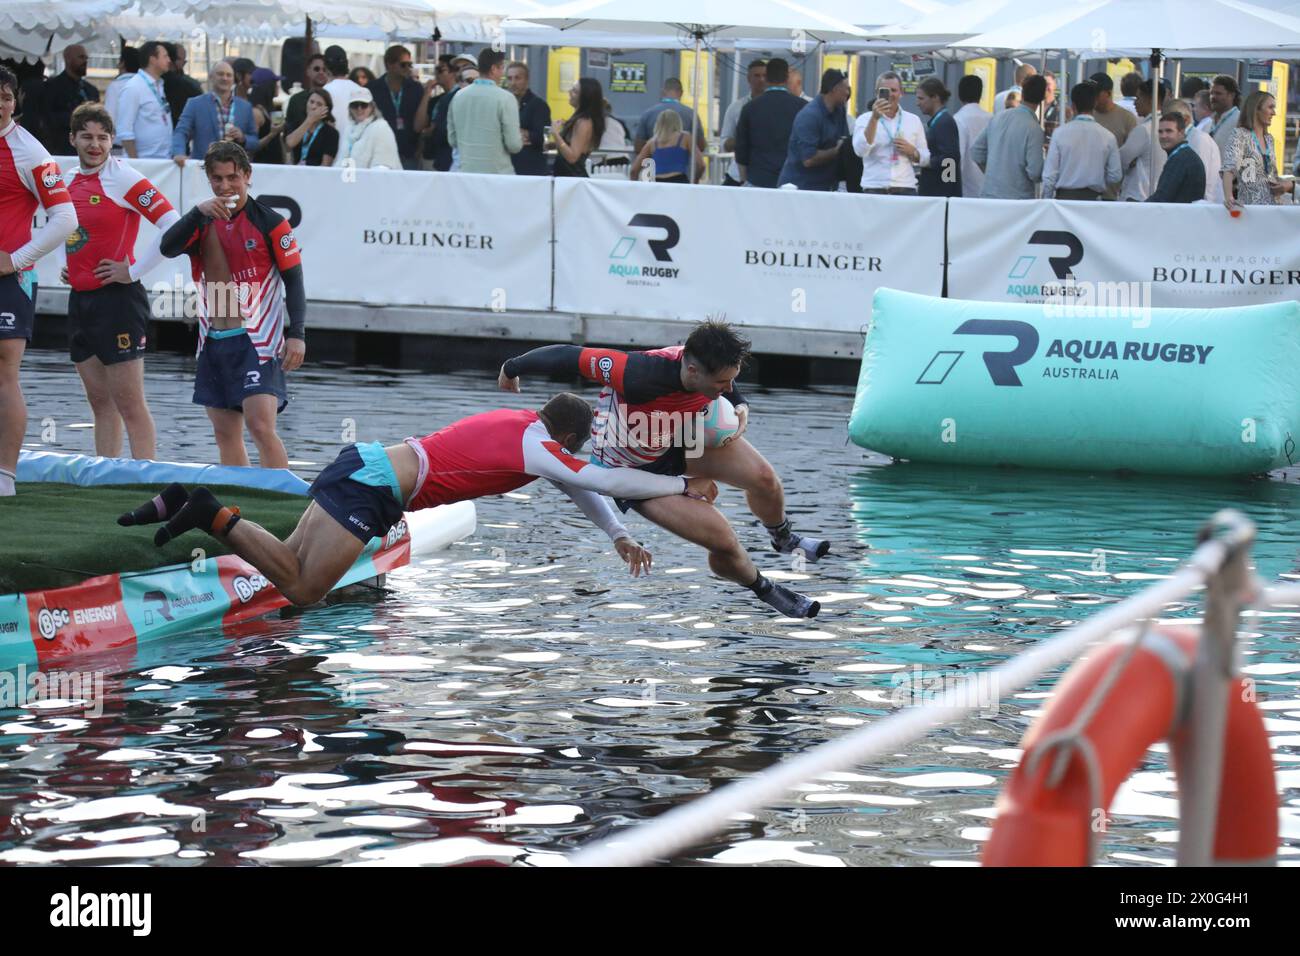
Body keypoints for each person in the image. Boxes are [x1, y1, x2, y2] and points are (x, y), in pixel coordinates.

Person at [120, 394, 719, 606]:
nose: (576, 457)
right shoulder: (542, 447)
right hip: (375, 487)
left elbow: (585, 489)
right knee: (304, 589)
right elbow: (606, 480)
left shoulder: (527, 431)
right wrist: (680, 486)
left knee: (292, 567)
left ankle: (190, 502)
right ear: (566, 438)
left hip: (368, 465)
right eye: (577, 449)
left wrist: (617, 535)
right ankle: (205, 510)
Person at [498, 323, 829, 618]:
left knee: (764, 479)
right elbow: (569, 355)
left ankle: (782, 537)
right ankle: (766, 589)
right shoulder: (636, 372)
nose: (728, 390)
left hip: (676, 438)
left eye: (733, 381)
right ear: (693, 370)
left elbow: (727, 383)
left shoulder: (705, 367)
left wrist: (740, 405)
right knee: (724, 542)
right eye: (722, 383)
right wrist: (511, 367)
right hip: (632, 468)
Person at [159, 141, 305, 469]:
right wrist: (196, 212)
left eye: (232, 177)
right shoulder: (202, 220)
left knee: (260, 426)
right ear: (209, 181)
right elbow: (167, 248)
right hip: (213, 339)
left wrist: (297, 333)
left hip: (258, 339)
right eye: (217, 179)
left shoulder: (271, 223)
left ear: (247, 176)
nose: (225, 186)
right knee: (225, 433)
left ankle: (283, 502)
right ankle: (239, 503)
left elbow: (294, 280)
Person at [61, 103, 179, 459]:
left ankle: (145, 483)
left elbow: (173, 225)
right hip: (80, 299)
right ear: (73, 139)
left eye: (103, 138)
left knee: (130, 404)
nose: (95, 145)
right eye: (87, 137)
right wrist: (69, 264)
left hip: (119, 300)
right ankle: (105, 477)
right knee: (100, 403)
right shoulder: (66, 179)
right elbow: (70, 231)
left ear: (112, 141)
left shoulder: (124, 176)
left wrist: (134, 269)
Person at [0, 67, 78, 496]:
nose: (0, 103)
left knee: (4, 374)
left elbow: (66, 217)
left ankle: (5, 477)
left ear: (16, 101)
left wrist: (16, 259)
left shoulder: (30, 151)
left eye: (6, 96)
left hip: (10, 279)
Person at [969, 74, 1047, 199]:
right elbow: (1035, 172)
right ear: (1043, 97)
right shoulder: (1034, 128)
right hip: (1018, 199)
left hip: (990, 194)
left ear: (1023, 92)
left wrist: (993, 173)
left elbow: (976, 151)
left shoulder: (998, 117)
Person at [1042, 81, 1121, 201]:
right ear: (1095, 103)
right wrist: (1098, 177)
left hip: (1065, 199)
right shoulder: (1108, 136)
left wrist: (1046, 200)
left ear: (1073, 106)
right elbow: (1115, 176)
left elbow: (1049, 176)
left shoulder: (1060, 133)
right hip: (1094, 200)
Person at [447, 48, 522, 175]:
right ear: (493, 68)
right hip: (498, 175)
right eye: (501, 68)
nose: (503, 73)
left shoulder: (458, 97)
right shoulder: (506, 98)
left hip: (466, 173)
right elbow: (514, 145)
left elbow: (453, 140)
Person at [733, 58, 803, 188]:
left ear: (766, 77)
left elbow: (741, 149)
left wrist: (744, 179)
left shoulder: (750, 107)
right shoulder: (802, 107)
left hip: (758, 178)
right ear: (787, 77)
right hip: (792, 179)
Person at [853, 71, 927, 195]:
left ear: (901, 93)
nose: (890, 95)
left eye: (894, 90)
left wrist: (913, 152)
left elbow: (925, 157)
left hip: (905, 188)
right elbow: (860, 151)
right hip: (874, 188)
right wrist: (874, 119)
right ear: (877, 93)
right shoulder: (865, 119)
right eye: (884, 91)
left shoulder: (913, 120)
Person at [171, 61, 258, 165]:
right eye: (220, 74)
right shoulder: (195, 104)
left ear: (233, 80)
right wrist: (178, 153)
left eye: (229, 75)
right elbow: (181, 132)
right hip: (203, 167)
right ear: (211, 77)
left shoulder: (245, 107)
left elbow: (254, 141)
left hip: (234, 169)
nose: (225, 78)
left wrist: (243, 138)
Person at [1222, 89, 1295, 211]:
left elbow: (1270, 174)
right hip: (1250, 208)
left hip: (1273, 208)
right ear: (1256, 109)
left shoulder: (1269, 139)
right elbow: (1229, 168)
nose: (1274, 113)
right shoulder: (1240, 135)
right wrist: (1229, 198)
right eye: (1270, 107)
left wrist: (1286, 185)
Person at [778, 69, 850, 191]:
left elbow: (844, 140)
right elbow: (808, 159)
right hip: (800, 188)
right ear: (835, 89)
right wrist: (837, 151)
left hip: (825, 186)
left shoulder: (839, 111)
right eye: (846, 88)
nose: (848, 93)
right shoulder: (809, 116)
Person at [116, 40, 175, 159]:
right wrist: (136, 163)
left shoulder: (159, 85)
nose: (169, 60)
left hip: (162, 160)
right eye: (165, 56)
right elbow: (125, 131)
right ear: (152, 59)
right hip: (144, 162)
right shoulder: (133, 87)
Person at [369, 45, 423, 170]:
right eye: (403, 64)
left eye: (410, 64)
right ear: (389, 65)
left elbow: (420, 123)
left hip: (409, 152)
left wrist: (419, 149)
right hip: (381, 153)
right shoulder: (372, 89)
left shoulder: (416, 88)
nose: (408, 68)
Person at [39, 44, 99, 155]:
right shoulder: (52, 87)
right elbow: (47, 119)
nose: (85, 61)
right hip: (62, 150)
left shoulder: (91, 90)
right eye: (81, 57)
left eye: (86, 58)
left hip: (89, 150)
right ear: (67, 58)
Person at [1117, 78, 1167, 202]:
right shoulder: (1168, 126)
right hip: (1159, 193)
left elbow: (1121, 159)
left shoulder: (1144, 130)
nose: (1135, 103)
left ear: (1150, 100)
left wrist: (1131, 161)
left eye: (1138, 98)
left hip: (1138, 195)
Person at [1165, 97, 1222, 203]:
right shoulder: (1187, 138)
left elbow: (1199, 181)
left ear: (1185, 119)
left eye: (1170, 120)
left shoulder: (1199, 139)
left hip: (1203, 206)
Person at [721, 59, 767, 186]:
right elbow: (724, 143)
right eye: (757, 76)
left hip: (767, 174)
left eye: (765, 76)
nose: (761, 79)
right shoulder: (736, 107)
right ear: (748, 78)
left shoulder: (774, 108)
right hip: (737, 174)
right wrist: (742, 140)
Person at [915, 76, 961, 198]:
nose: (917, 103)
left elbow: (950, 159)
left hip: (939, 195)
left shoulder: (944, 122)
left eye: (921, 98)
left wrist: (924, 160)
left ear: (935, 97)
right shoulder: (941, 121)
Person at [1146, 111, 1206, 204]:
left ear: (1181, 133)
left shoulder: (1181, 159)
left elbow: (1162, 197)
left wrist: (1136, 207)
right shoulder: (1183, 155)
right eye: (1160, 132)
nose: (1163, 136)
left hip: (1181, 216)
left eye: (1169, 131)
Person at [416, 53, 462, 171]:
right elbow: (418, 126)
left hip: (449, 158)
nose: (436, 73)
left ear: (453, 73)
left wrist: (434, 130)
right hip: (432, 157)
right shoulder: (436, 100)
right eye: (435, 69)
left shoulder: (459, 97)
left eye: (440, 70)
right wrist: (426, 93)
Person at [551, 77, 605, 178]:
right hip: (567, 176)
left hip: (572, 177)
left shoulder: (583, 122)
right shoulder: (579, 119)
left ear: (584, 98)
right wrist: (553, 144)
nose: (569, 92)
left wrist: (555, 134)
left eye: (574, 91)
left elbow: (572, 157)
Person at [630, 108, 702, 183]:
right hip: (679, 181)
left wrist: (634, 188)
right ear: (678, 122)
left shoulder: (652, 142)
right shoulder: (685, 137)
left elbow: (634, 171)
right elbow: (701, 165)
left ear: (658, 124)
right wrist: (695, 180)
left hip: (657, 184)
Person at [336, 87, 400, 170]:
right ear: (350, 108)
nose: (359, 109)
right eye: (355, 105)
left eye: (363, 105)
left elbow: (384, 165)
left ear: (372, 107)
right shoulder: (349, 128)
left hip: (371, 181)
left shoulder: (381, 127)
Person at [634, 78, 704, 153]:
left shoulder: (648, 114)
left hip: (655, 161)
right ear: (681, 93)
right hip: (681, 162)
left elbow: (638, 146)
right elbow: (700, 145)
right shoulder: (691, 114)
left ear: (663, 92)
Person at [506, 61, 551, 176]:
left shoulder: (539, 105)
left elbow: (546, 140)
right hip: (509, 168)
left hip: (532, 170)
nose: (513, 83)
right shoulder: (505, 104)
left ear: (527, 80)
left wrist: (519, 132)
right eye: (509, 78)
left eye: (517, 78)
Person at [954, 74, 991, 198]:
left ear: (959, 95)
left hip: (967, 190)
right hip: (989, 187)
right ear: (980, 95)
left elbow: (957, 158)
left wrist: (949, 184)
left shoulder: (958, 119)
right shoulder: (992, 119)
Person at [284, 88, 338, 166]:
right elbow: (289, 144)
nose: (313, 107)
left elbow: (325, 164)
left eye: (319, 104)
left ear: (326, 110)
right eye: (311, 102)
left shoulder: (331, 133)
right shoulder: (297, 124)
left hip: (315, 175)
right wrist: (309, 121)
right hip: (295, 172)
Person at [284, 53, 329, 144]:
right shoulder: (296, 100)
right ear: (308, 71)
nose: (321, 72)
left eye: (324, 69)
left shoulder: (332, 97)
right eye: (316, 69)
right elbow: (288, 134)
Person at [322, 45, 365, 137]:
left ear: (325, 66)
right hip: (356, 148)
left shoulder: (324, 92)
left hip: (332, 149)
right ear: (347, 63)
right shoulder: (361, 91)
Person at [104, 46, 140, 143]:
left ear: (122, 63)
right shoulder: (143, 85)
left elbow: (109, 118)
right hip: (142, 144)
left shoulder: (115, 86)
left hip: (119, 144)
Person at [162, 42, 202, 125]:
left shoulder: (192, 85)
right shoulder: (155, 81)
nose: (173, 61)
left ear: (184, 63)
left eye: (178, 59)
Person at [1206, 74, 1241, 160]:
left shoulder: (1240, 121)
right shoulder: (1208, 122)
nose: (1213, 97)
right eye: (1211, 93)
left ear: (1232, 95)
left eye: (1218, 93)